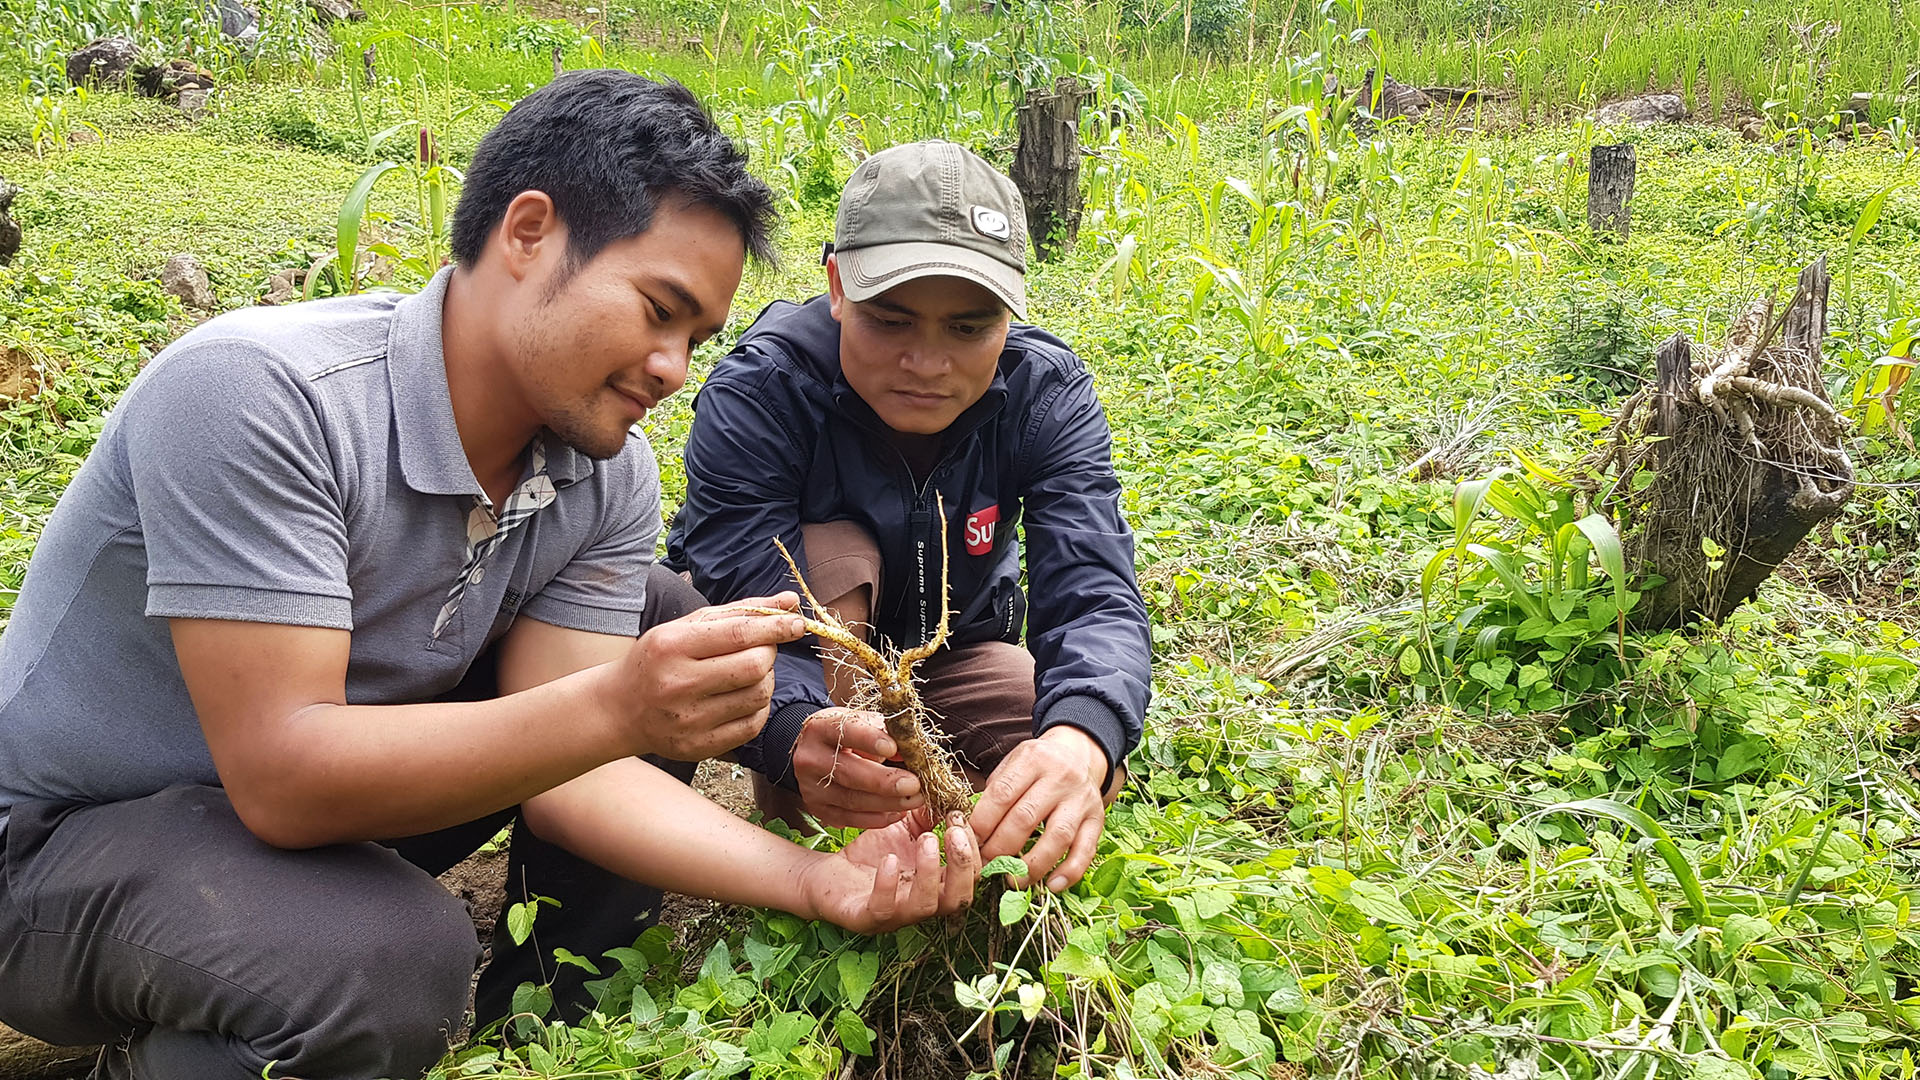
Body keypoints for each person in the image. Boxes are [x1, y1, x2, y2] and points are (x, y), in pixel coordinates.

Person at [0, 73, 979, 1080]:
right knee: (386, 959)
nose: (673, 367)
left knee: (654, 621)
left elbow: (574, 777)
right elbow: (286, 779)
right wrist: (620, 708)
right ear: (528, 233)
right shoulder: (261, 395)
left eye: (695, 338)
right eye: (657, 309)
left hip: (292, 831)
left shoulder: (602, 469)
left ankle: (538, 1024)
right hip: (56, 850)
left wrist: (816, 884)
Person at [666, 141, 1151, 897]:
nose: (927, 363)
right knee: (835, 553)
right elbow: (744, 587)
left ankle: (931, 804)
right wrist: (791, 729)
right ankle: (817, 777)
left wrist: (1082, 738)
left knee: (1054, 736)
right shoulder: (765, 391)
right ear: (836, 287)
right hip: (809, 659)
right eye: (890, 321)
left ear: (1012, 311)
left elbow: (1094, 587)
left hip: (953, 648)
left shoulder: (1044, 396)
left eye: (968, 328)